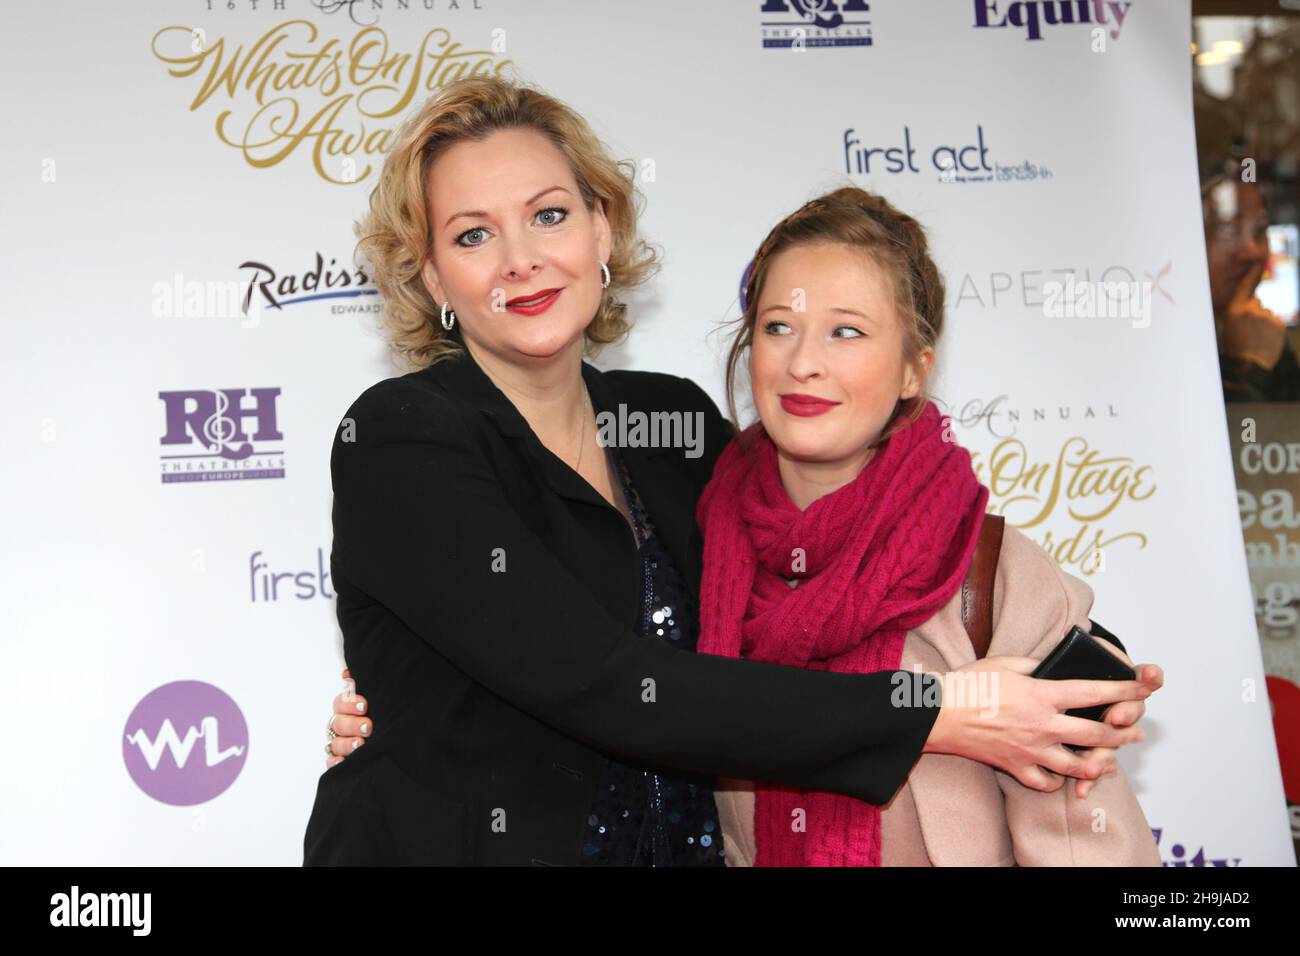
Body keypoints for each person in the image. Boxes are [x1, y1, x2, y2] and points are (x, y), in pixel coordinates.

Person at [306, 75, 1159, 867]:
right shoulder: (402, 439)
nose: (521, 259)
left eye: (550, 215)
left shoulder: (668, 423)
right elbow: (602, 683)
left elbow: (834, 543)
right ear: (432, 275)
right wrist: (936, 713)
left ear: (602, 227)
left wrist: (1067, 660)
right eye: (473, 234)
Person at [695, 188, 1161, 866]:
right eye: (777, 326)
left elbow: (1082, 847)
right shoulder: (702, 554)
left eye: (846, 330)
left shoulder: (994, 578)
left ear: (916, 367)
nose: (802, 363)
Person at [1202, 159, 1300, 401]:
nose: (1253, 252)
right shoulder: (1155, 344)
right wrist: (1250, 368)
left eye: (1259, 231)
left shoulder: (1263, 330)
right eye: (1228, 230)